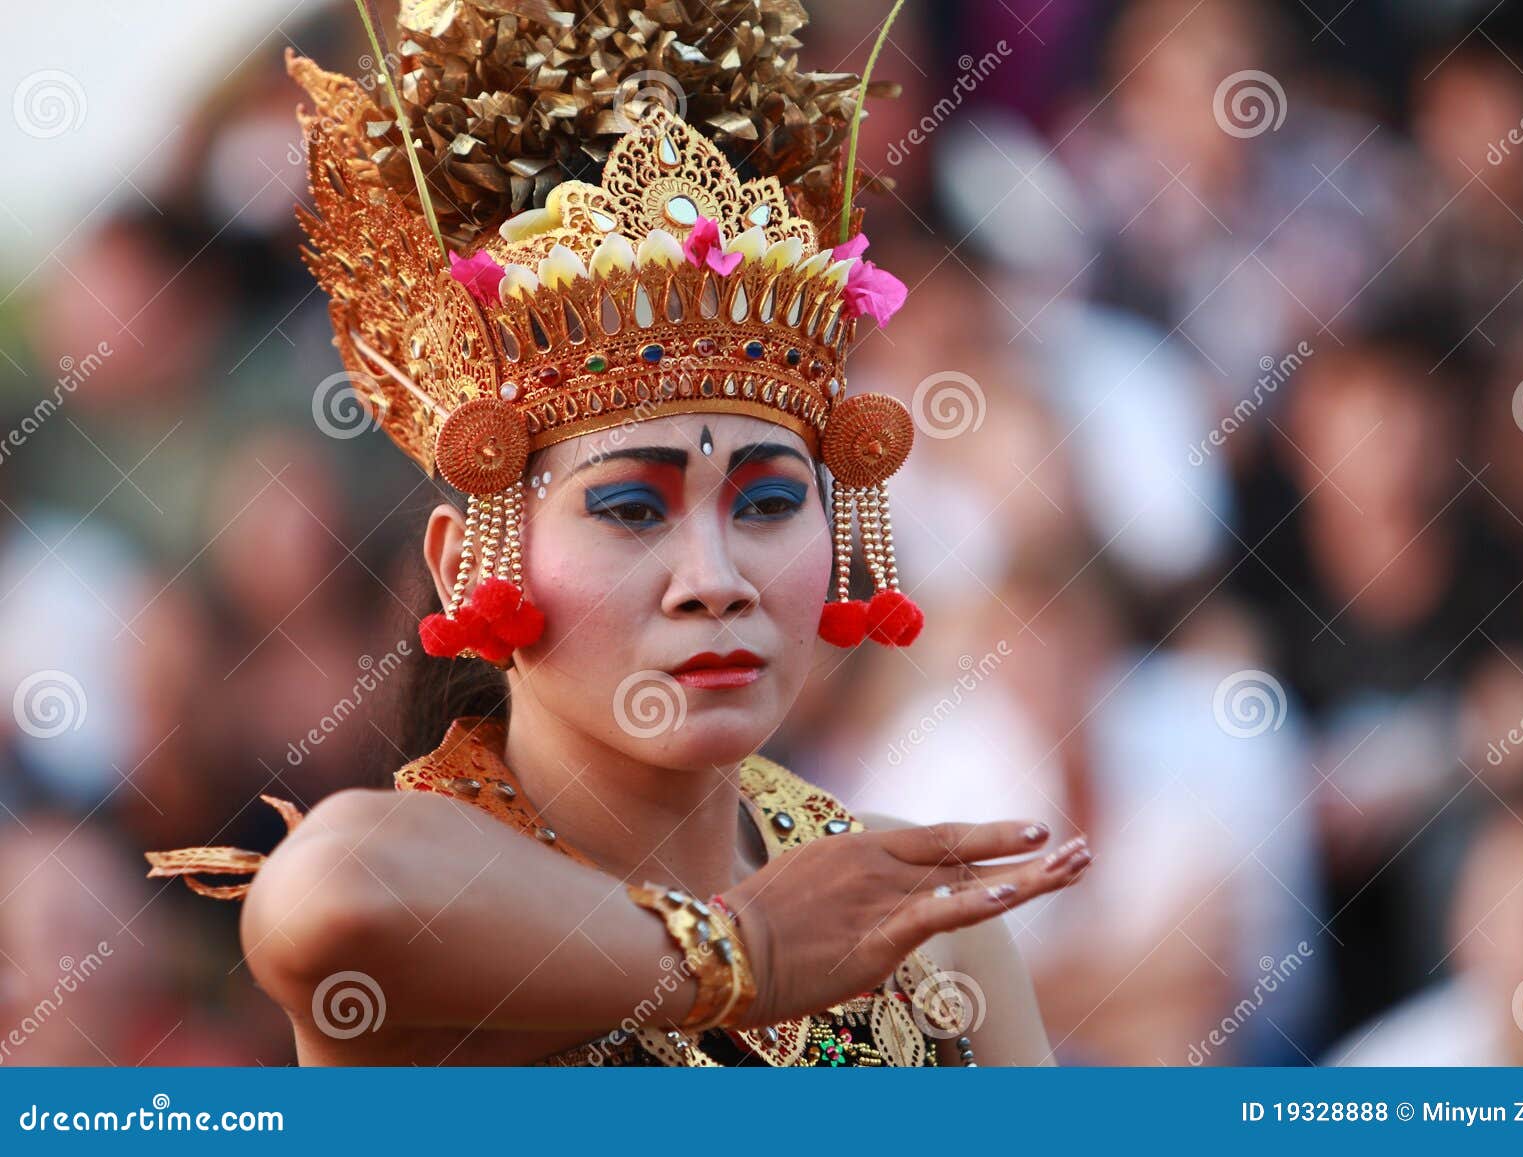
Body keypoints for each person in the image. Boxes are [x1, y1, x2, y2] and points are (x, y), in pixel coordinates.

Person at [143, 0, 1091, 1067]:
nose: (715, 579)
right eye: (630, 508)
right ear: (468, 567)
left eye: (770, 501)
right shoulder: (425, 904)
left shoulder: (908, 918)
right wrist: (746, 954)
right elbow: (323, 889)